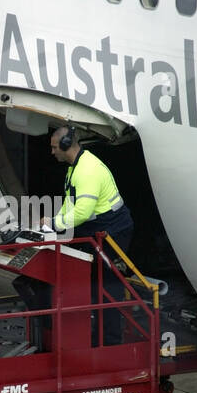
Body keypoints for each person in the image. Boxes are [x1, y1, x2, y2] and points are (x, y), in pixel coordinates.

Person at [48, 125, 134, 344]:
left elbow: (83, 212)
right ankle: (98, 334)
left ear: (66, 146)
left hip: (114, 230)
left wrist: (55, 223)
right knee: (95, 284)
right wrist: (52, 223)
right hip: (99, 230)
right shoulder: (73, 169)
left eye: (54, 147)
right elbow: (70, 203)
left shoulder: (86, 170)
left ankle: (111, 341)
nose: (52, 152)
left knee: (108, 285)